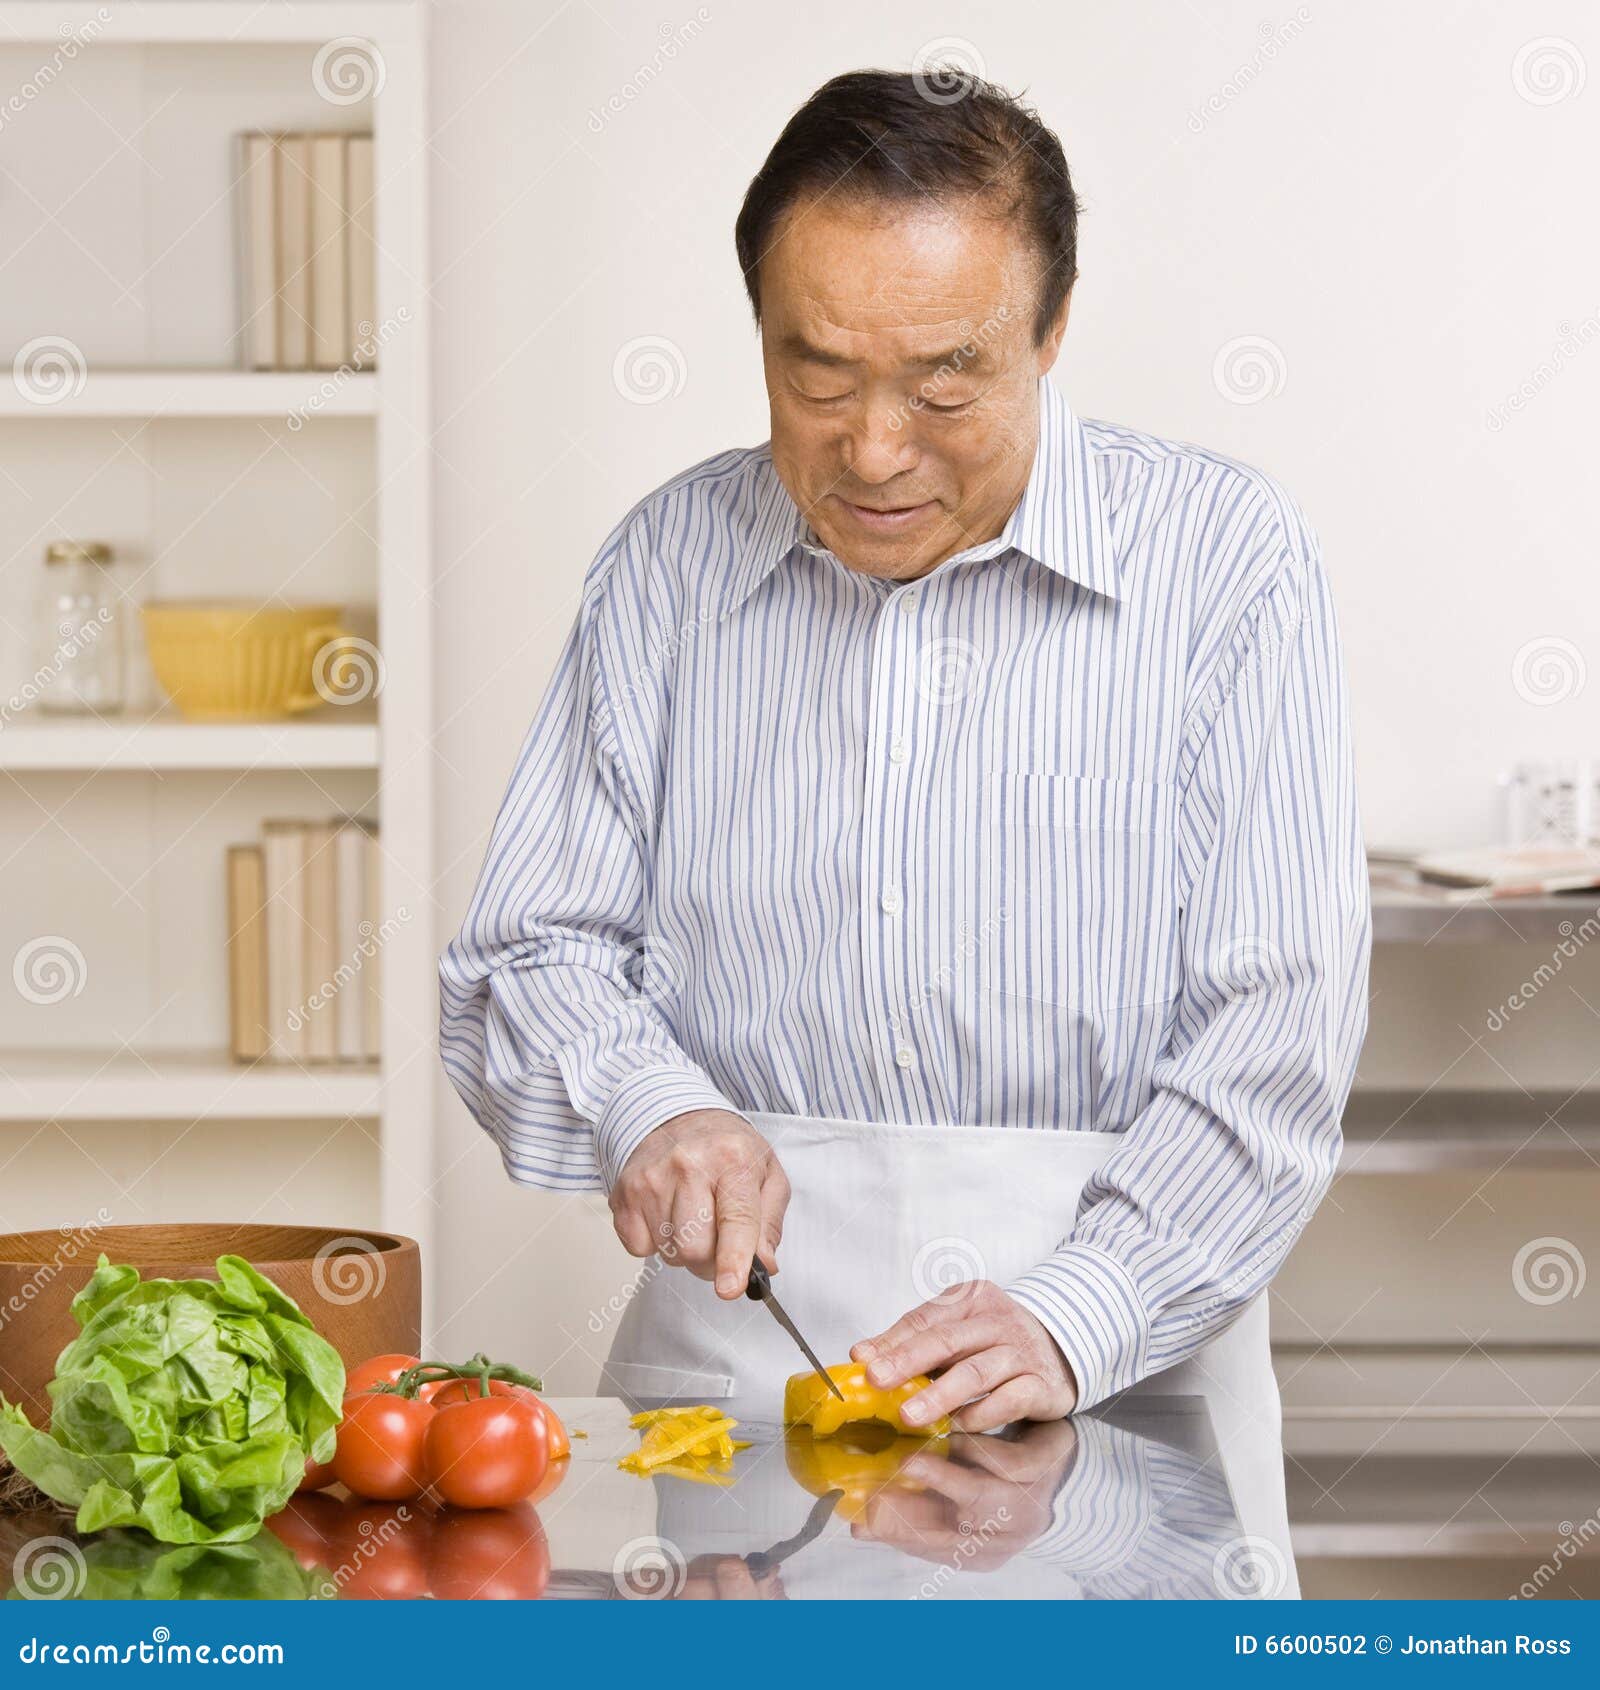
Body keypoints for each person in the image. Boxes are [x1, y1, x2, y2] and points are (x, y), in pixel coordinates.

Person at [440, 69, 1369, 1450]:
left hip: (1116, 1381)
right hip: (735, 1383)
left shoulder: (1228, 565)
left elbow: (1276, 1032)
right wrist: (655, 1103)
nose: (873, 452)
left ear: (1050, 330)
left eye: (945, 386)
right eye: (815, 376)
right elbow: (530, 950)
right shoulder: (665, 564)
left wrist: (1079, 1308)